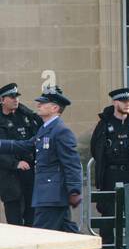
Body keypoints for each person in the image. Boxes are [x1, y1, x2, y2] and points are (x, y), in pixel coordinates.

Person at [0, 88, 81, 232]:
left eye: (43, 103)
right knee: (67, 230)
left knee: (41, 232)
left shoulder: (61, 131)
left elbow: (72, 163)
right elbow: (25, 145)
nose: (38, 105)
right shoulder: (45, 129)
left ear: (55, 108)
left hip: (52, 194)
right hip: (47, 193)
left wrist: (74, 190)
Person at [90, 87, 129, 248]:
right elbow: (95, 148)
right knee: (109, 213)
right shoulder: (104, 124)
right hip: (111, 174)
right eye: (123, 101)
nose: (127, 104)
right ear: (115, 102)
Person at [0, 82, 40, 226]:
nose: (15, 99)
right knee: (14, 220)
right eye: (11, 97)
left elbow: (40, 131)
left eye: (16, 96)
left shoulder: (25, 116)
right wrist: (15, 164)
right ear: (2, 100)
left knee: (32, 216)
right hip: (9, 176)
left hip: (28, 173)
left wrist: (29, 112)